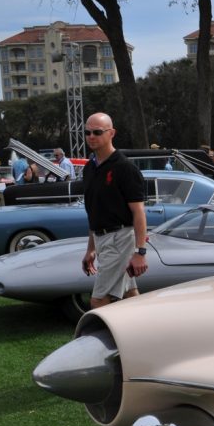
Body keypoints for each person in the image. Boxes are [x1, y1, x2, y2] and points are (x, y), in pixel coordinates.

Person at [80, 113, 148, 310]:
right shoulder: (89, 168)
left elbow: (139, 213)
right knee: (129, 295)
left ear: (112, 133)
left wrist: (140, 252)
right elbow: (94, 212)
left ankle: (97, 339)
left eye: (97, 132)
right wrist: (91, 248)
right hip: (102, 239)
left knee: (98, 300)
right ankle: (144, 336)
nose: (91, 136)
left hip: (120, 239)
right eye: (88, 132)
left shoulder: (125, 168)